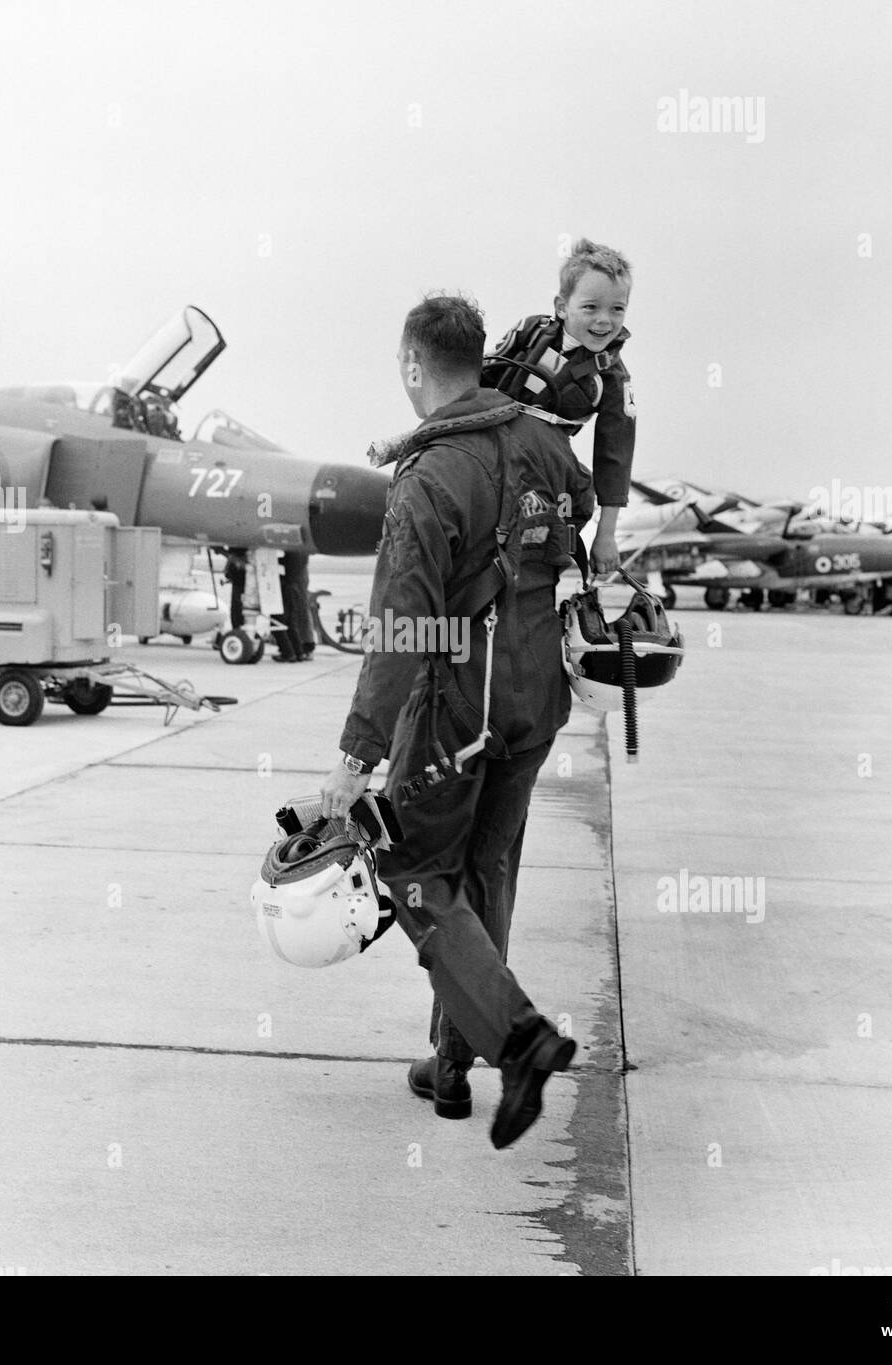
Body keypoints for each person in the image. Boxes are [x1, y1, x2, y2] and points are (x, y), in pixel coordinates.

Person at [319, 294, 595, 1149]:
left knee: (409, 870)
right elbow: (581, 507)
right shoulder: (548, 441)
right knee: (488, 876)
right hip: (535, 701)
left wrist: (354, 762)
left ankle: (518, 1040)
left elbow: (400, 632)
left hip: (457, 711)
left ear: (413, 365)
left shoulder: (427, 478)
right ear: (477, 360)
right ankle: (451, 1065)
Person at [481, 237, 636, 576]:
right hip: (490, 447)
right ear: (562, 306)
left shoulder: (612, 378)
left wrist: (605, 536)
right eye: (590, 307)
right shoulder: (530, 331)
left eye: (617, 308)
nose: (604, 320)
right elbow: (482, 379)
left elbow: (615, 460)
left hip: (545, 468)